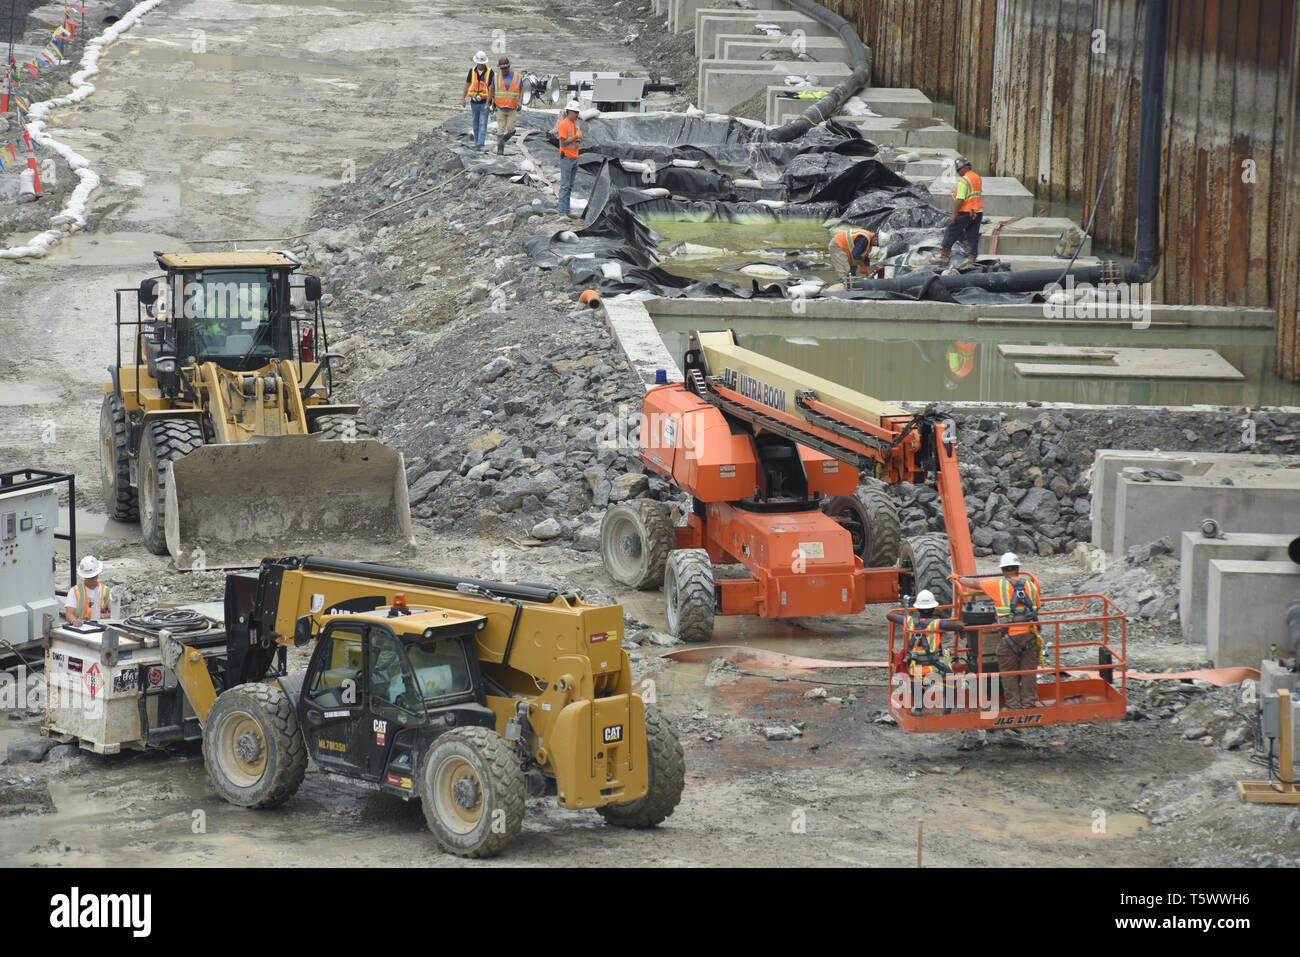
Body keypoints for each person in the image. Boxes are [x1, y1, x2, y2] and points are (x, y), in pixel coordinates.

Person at [957, 552, 1042, 711]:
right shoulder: (1031, 585)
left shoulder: (998, 585)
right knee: (1029, 672)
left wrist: (957, 578)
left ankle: (1014, 707)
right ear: (1018, 568)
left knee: (1008, 672)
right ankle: (1029, 705)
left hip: (1010, 638)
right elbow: (1037, 606)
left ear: (1003, 570)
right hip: (1031, 635)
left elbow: (974, 584)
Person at [886, 589, 964, 714]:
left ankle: (918, 708)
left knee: (916, 682)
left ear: (917, 608)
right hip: (933, 668)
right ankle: (947, 706)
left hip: (913, 668)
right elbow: (959, 626)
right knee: (951, 676)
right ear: (934, 609)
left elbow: (889, 615)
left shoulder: (909, 622)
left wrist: (905, 617)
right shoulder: (937, 623)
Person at [936, 155, 983, 264]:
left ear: (963, 168)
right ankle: (972, 258)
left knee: (951, 231)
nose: (958, 173)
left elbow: (960, 200)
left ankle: (944, 256)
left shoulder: (964, 181)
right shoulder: (976, 177)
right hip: (977, 212)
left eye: (958, 170)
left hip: (966, 212)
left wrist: (954, 214)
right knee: (972, 235)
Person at [65, 555, 113, 625]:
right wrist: (74, 621)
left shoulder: (107, 592)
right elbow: (69, 614)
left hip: (100, 627)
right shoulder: (75, 591)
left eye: (93, 577)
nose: (91, 579)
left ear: (97, 574)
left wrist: (103, 616)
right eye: (89, 577)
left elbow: (115, 614)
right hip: (81, 629)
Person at [461, 51, 493, 151]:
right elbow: (467, 85)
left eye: (482, 64)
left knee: (482, 123)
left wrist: (490, 103)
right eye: (479, 64)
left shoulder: (490, 73)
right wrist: (463, 98)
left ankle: (480, 145)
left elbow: (492, 89)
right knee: (475, 123)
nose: (480, 65)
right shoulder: (472, 71)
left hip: (485, 102)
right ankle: (476, 142)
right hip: (474, 102)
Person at [555, 100, 583, 217]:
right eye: (575, 112)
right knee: (565, 186)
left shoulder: (573, 124)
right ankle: (562, 212)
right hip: (566, 158)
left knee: (569, 187)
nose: (577, 115)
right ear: (569, 112)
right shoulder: (563, 125)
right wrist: (576, 137)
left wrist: (577, 138)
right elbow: (563, 143)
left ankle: (566, 210)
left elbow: (573, 142)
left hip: (574, 158)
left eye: (577, 112)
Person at [491, 55, 522, 155]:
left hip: (511, 108)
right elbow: (492, 90)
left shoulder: (517, 77)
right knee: (500, 129)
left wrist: (520, 102)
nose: (504, 70)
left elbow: (521, 90)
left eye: (505, 68)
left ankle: (510, 134)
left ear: (509, 67)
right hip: (500, 108)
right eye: (502, 68)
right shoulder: (496, 78)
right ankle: (500, 151)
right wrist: (491, 102)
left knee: (510, 128)